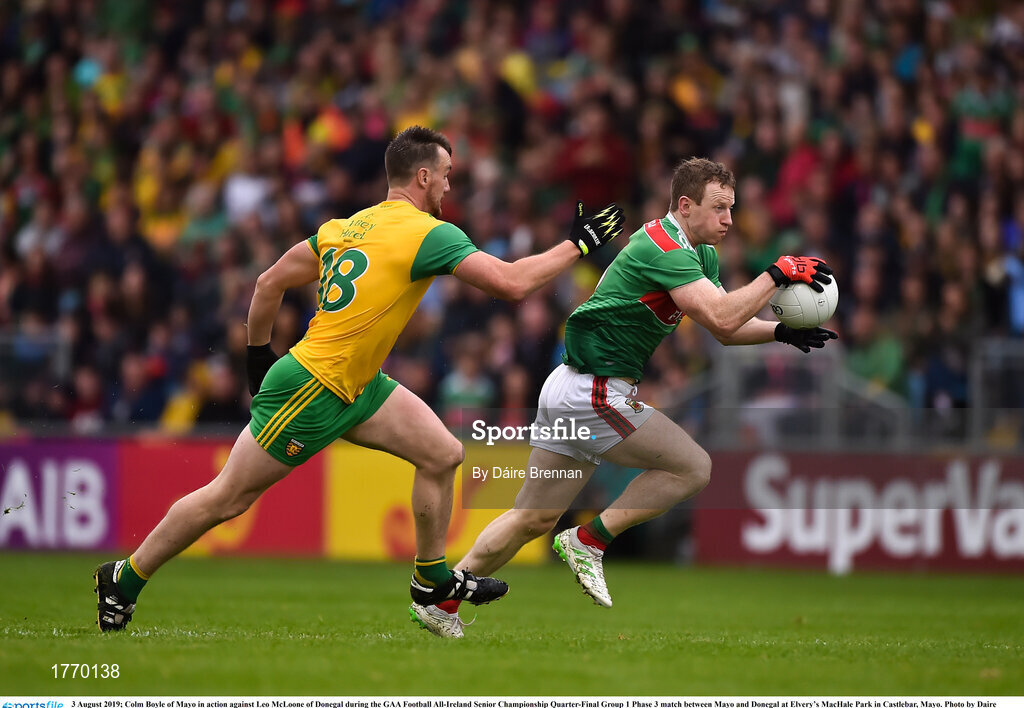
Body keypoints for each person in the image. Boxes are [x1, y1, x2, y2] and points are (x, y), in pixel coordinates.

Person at [93, 126, 625, 633]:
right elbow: (511, 284)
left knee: (442, 454)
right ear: (421, 178)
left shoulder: (344, 227)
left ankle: (429, 581)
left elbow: (268, 282)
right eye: (445, 174)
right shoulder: (426, 233)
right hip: (314, 385)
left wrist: (257, 360)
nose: (448, 185)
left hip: (358, 383)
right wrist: (576, 244)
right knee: (227, 499)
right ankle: (124, 577)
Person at [417, 157, 838, 637]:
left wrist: (780, 332)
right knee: (693, 467)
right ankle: (589, 540)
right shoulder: (663, 246)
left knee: (531, 517)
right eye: (719, 208)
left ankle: (442, 599)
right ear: (685, 204)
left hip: (568, 384)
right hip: (594, 392)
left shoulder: (698, 254)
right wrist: (777, 274)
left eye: (732, 209)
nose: (728, 220)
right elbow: (723, 317)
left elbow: (724, 328)